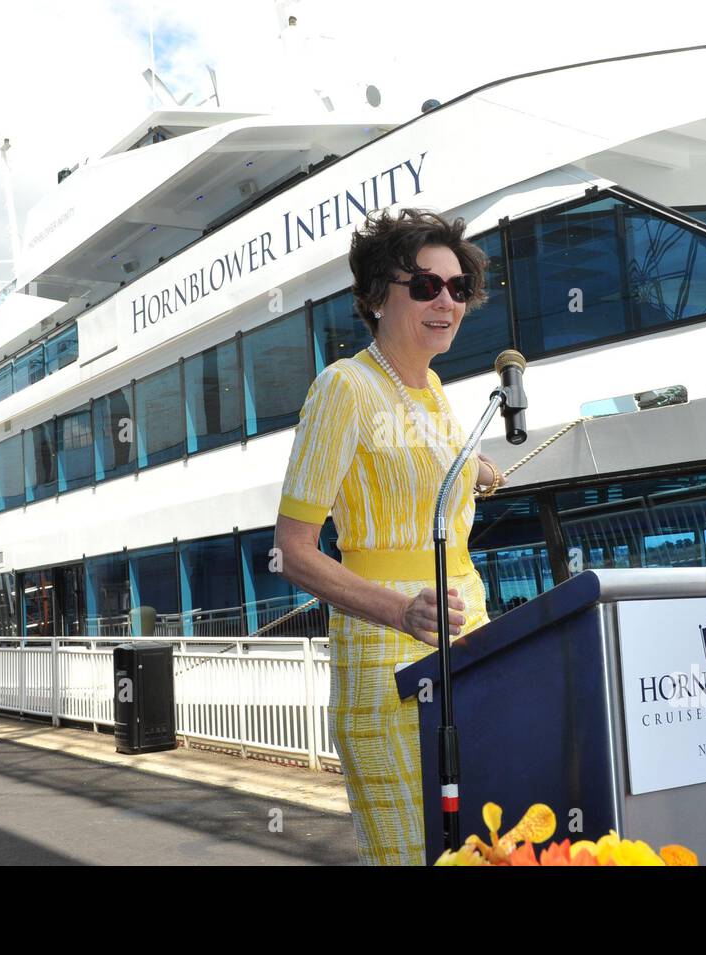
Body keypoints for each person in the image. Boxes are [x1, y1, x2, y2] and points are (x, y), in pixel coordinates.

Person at [273, 208, 503, 865]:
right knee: (414, 855)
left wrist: (476, 470)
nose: (446, 302)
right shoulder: (343, 389)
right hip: (386, 661)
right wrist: (400, 609)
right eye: (426, 286)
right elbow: (293, 549)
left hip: (471, 645)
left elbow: (423, 473)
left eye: (458, 289)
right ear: (377, 296)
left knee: (482, 850)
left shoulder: (433, 391)